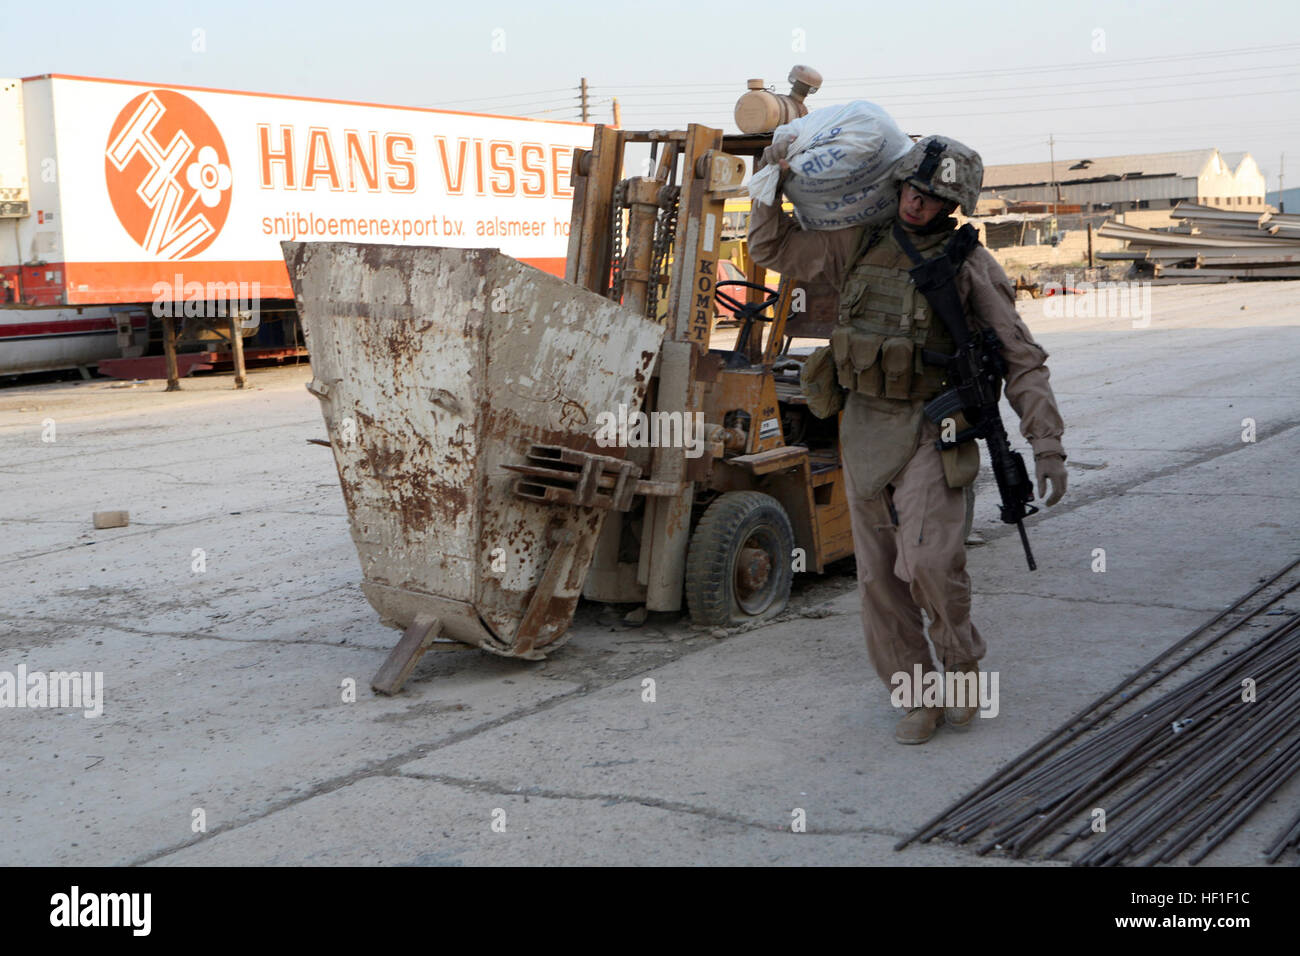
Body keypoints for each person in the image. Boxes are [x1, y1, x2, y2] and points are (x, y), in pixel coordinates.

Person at [748, 135, 1068, 744]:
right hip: (864, 427)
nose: (917, 204)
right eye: (911, 190)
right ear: (897, 186)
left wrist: (1046, 443)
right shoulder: (859, 241)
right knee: (879, 581)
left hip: (934, 429)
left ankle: (961, 665)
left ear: (952, 205)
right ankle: (915, 695)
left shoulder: (970, 264)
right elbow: (771, 247)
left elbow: (1023, 358)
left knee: (928, 562)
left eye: (932, 197)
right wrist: (768, 181)